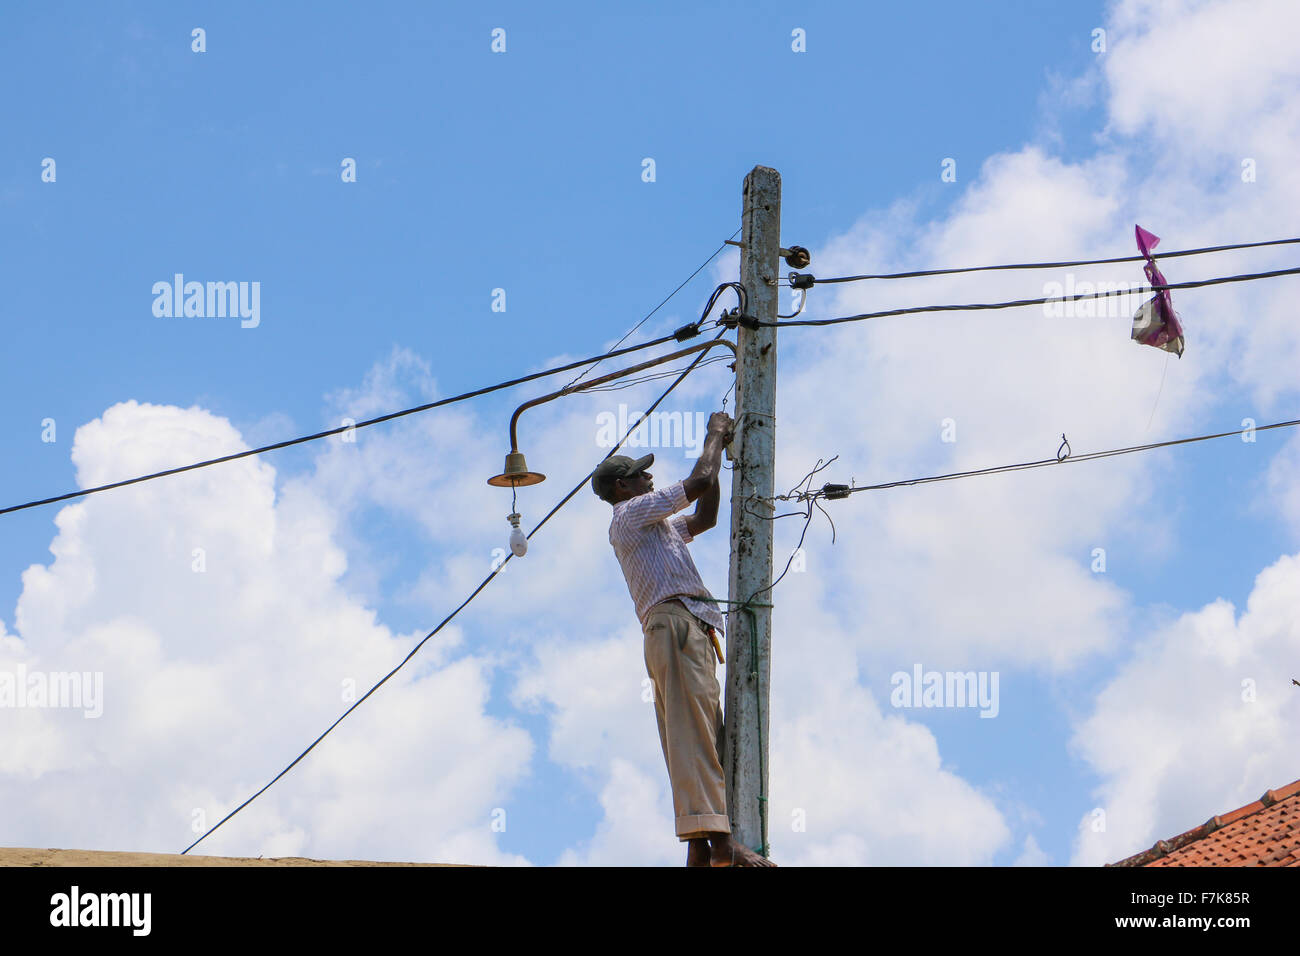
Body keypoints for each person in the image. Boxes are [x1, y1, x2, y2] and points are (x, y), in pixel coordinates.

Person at [592, 410, 776, 868]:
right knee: (694, 734)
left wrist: (719, 460)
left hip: (685, 626)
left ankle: (700, 849)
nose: (648, 478)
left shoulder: (657, 527)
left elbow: (706, 515)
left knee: (703, 736)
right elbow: (698, 480)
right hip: (674, 623)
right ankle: (720, 845)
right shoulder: (631, 515)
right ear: (620, 490)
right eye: (638, 475)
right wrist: (715, 436)